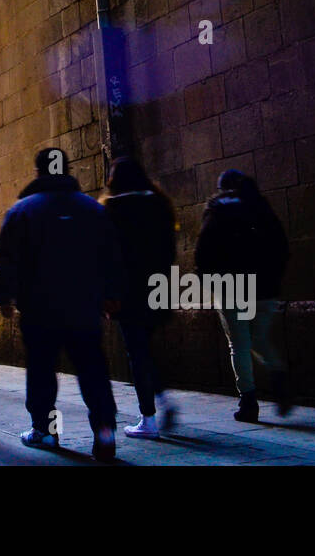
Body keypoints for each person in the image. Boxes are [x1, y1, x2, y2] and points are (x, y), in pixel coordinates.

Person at [0, 147, 121, 461]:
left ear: (38, 172)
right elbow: (112, 257)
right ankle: (105, 436)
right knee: (93, 371)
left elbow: (7, 260)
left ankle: (46, 432)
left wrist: (4, 297)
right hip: (84, 307)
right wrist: (112, 294)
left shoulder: (22, 211)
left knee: (41, 372)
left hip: (39, 310)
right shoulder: (92, 209)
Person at [196, 169, 292, 423]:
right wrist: (274, 278)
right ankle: (278, 374)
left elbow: (204, 248)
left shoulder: (217, 208)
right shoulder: (260, 205)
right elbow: (281, 245)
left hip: (231, 287)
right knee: (259, 339)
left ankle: (248, 402)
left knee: (238, 344)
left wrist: (207, 280)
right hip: (265, 288)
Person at [102, 156, 178, 438]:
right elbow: (169, 249)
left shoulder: (111, 209)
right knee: (146, 349)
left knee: (138, 353)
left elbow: (108, 257)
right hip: (157, 288)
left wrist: (108, 294)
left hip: (127, 293)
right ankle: (162, 399)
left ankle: (149, 417)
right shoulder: (160, 204)